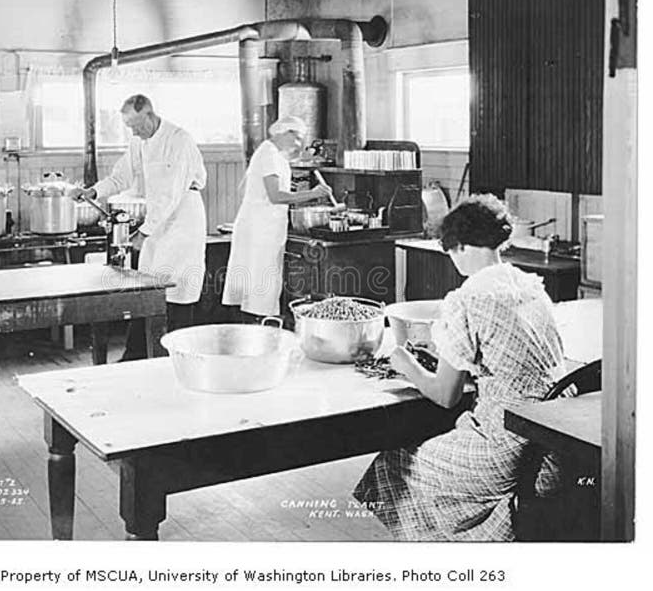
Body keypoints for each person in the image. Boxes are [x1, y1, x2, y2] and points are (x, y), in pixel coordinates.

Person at [353, 194, 566, 540]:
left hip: (504, 449)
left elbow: (445, 395)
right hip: (553, 446)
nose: (453, 260)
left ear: (462, 246)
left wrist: (405, 362)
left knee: (395, 462)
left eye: (451, 252)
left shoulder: (466, 298)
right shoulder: (530, 287)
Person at [72, 94, 207, 359]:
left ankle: (179, 356)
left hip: (183, 219)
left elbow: (171, 193)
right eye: (129, 128)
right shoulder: (140, 142)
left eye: (136, 125)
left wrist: (145, 232)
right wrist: (94, 192)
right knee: (145, 287)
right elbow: (121, 176)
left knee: (178, 287)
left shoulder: (179, 139)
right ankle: (135, 353)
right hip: (158, 218)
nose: (133, 132)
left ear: (149, 114)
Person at [221, 116, 333, 320]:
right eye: (297, 138)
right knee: (259, 289)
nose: (299, 144)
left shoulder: (273, 154)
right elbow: (275, 196)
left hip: (263, 228)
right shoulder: (268, 155)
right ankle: (258, 334)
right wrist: (314, 193)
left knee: (257, 288)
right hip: (260, 231)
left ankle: (256, 331)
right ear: (285, 133)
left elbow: (264, 190)